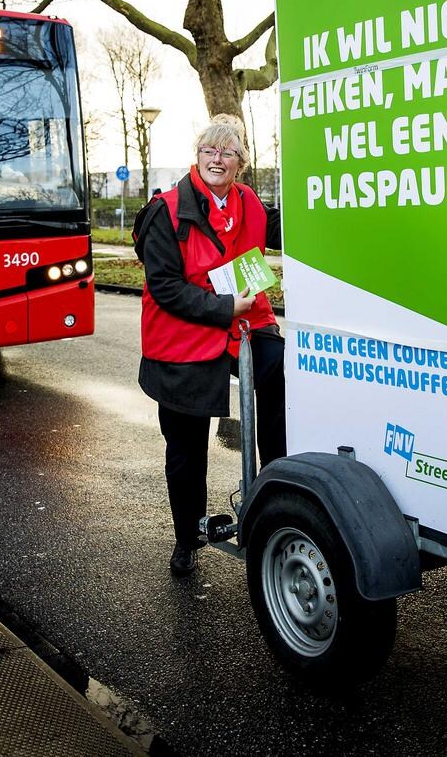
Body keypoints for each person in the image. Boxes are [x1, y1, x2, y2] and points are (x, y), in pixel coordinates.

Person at [134, 114, 283, 576]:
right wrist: (223, 308)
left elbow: (279, 242)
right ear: (197, 157)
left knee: (284, 376)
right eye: (209, 151)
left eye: (228, 152)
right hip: (182, 337)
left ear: (241, 161)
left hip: (243, 322)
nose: (217, 159)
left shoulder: (251, 204)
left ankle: (278, 498)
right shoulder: (167, 209)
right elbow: (165, 286)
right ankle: (187, 537)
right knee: (186, 445)